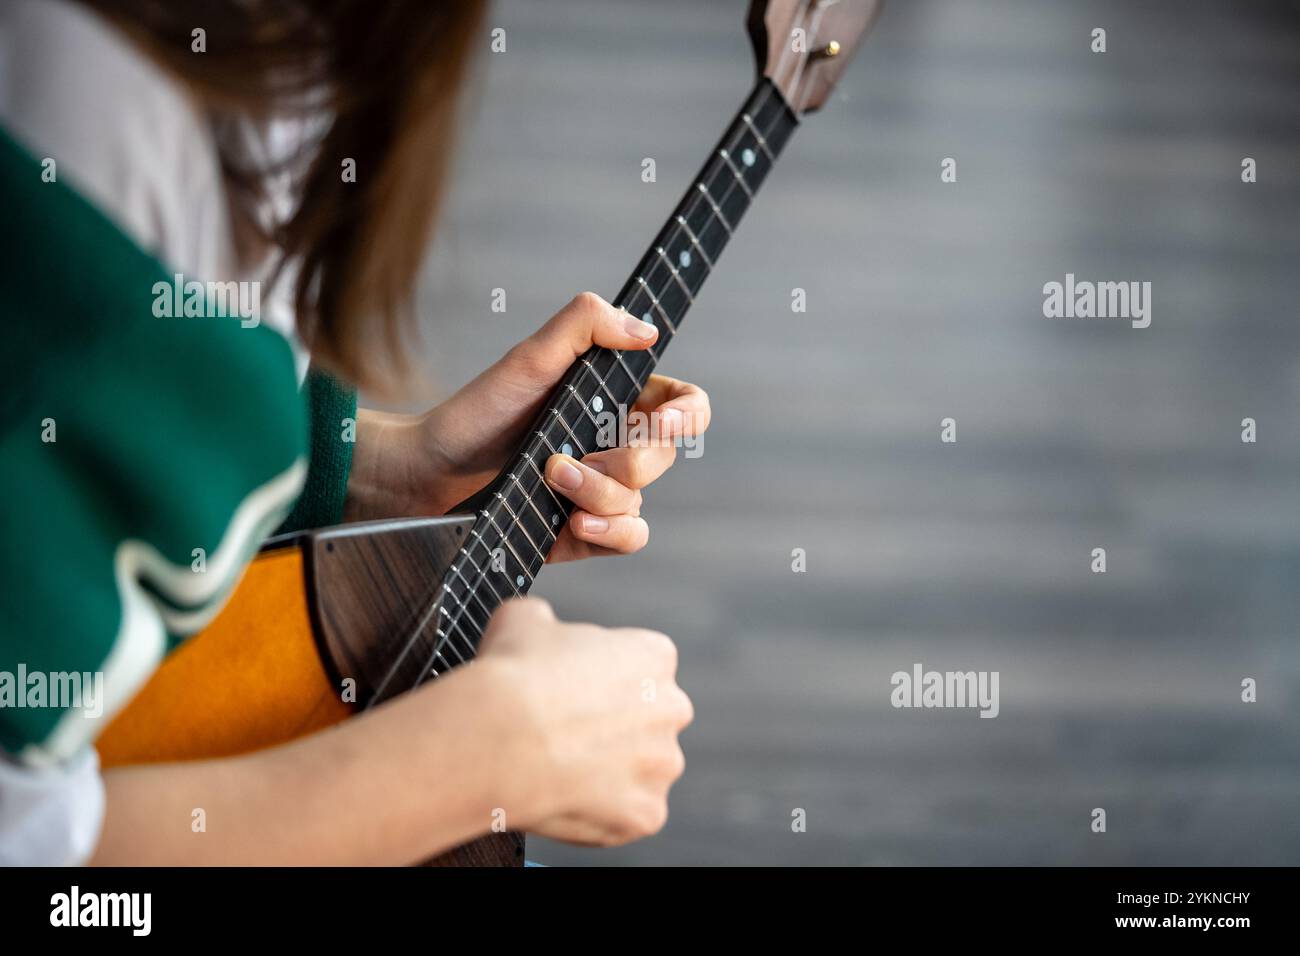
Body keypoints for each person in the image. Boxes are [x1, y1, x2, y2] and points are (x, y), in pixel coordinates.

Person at [0, 0, 705, 865]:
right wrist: (484, 758)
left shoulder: (289, 61)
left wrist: (393, 467)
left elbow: (108, 432)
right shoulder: (78, 120)